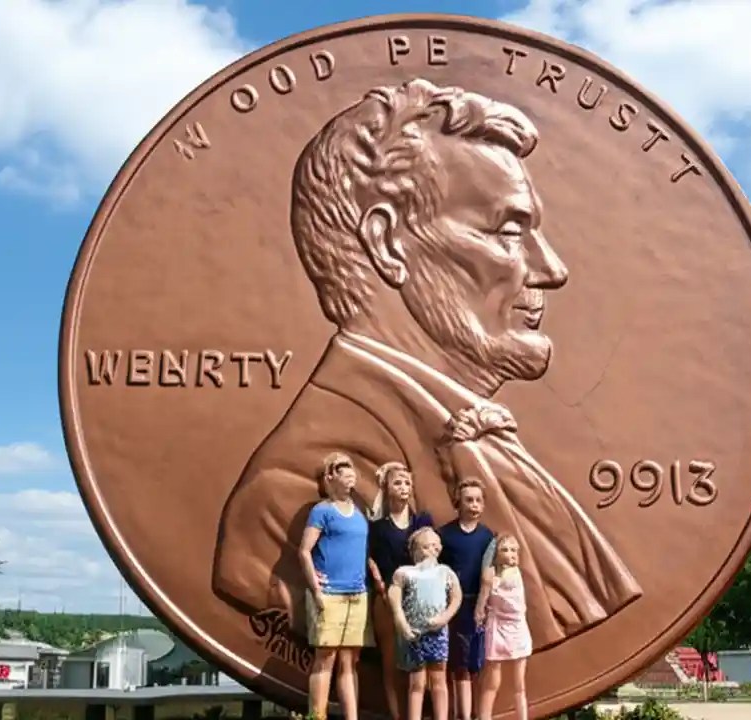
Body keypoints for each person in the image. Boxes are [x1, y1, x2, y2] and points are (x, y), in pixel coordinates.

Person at [211, 79, 642, 651]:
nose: (551, 268)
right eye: (508, 232)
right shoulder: (286, 499)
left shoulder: (486, 439)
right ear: (387, 243)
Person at [298, 452, 370, 720]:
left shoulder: (359, 512)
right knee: (325, 659)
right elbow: (305, 550)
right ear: (330, 476)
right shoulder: (322, 511)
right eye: (342, 468)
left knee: (349, 662)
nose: (349, 472)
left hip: (357, 594)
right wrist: (316, 588)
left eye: (351, 467)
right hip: (329, 595)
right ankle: (318, 716)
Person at [368, 461, 436, 720]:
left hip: (419, 601)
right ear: (386, 487)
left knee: (421, 665)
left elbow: (433, 556)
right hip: (387, 600)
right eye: (398, 482)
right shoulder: (378, 527)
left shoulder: (422, 521)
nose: (404, 487)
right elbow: (370, 558)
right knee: (391, 664)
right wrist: (380, 585)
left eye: (407, 482)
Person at [387, 527, 461, 720]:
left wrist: (444, 617)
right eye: (426, 546)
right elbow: (394, 598)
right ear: (414, 550)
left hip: (437, 632)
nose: (431, 550)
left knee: (438, 678)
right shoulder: (404, 573)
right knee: (417, 682)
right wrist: (401, 622)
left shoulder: (445, 572)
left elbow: (456, 598)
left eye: (435, 546)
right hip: (414, 633)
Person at [437, 478, 495, 720]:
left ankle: (472, 714)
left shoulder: (486, 536)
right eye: (468, 500)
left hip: (477, 606)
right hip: (452, 608)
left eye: (478, 500)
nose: (474, 505)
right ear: (457, 502)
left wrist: (482, 605)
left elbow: (489, 574)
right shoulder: (445, 535)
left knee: (474, 665)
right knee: (455, 666)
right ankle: (457, 714)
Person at [475, 534, 531, 720]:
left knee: (519, 684)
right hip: (497, 627)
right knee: (492, 681)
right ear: (496, 554)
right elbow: (483, 598)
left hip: (517, 628)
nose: (510, 554)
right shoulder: (490, 576)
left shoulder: (515, 574)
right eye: (505, 550)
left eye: (513, 550)